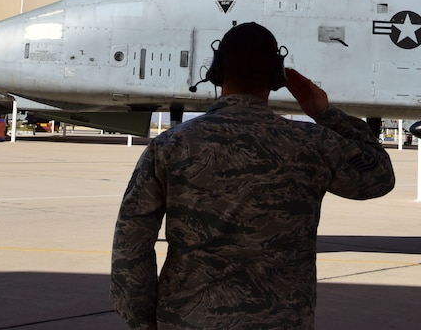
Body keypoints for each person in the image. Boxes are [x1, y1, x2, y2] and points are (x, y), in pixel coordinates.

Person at [110, 22, 396, 330]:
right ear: (277, 76)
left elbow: (131, 246)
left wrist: (143, 322)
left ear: (216, 71)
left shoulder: (170, 147)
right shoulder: (311, 143)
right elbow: (378, 176)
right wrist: (324, 112)